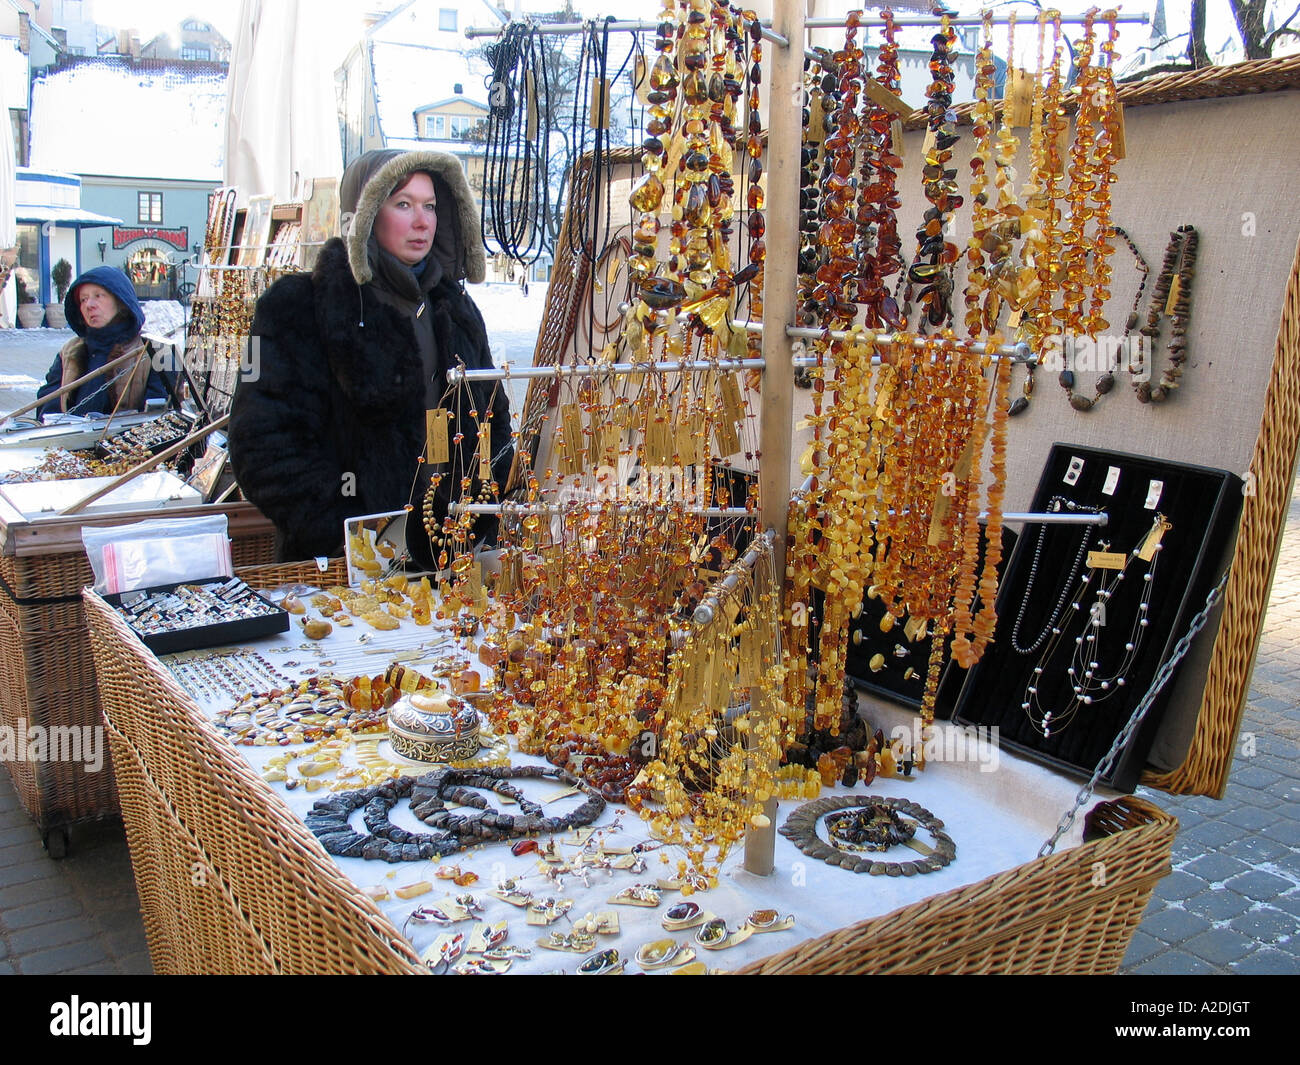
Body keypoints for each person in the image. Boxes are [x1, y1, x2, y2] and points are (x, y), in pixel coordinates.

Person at [228, 150, 514, 564]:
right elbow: (263, 447)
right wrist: (348, 533)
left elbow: (493, 423)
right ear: (365, 214)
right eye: (403, 204)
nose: (422, 221)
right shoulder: (299, 307)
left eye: (430, 206)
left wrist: (477, 511)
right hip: (341, 570)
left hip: (450, 556)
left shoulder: (455, 309)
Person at [36, 266, 173, 418]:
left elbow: (163, 416)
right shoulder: (69, 352)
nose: (89, 305)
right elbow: (47, 407)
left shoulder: (159, 351)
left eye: (98, 296)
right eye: (83, 299)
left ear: (121, 301)